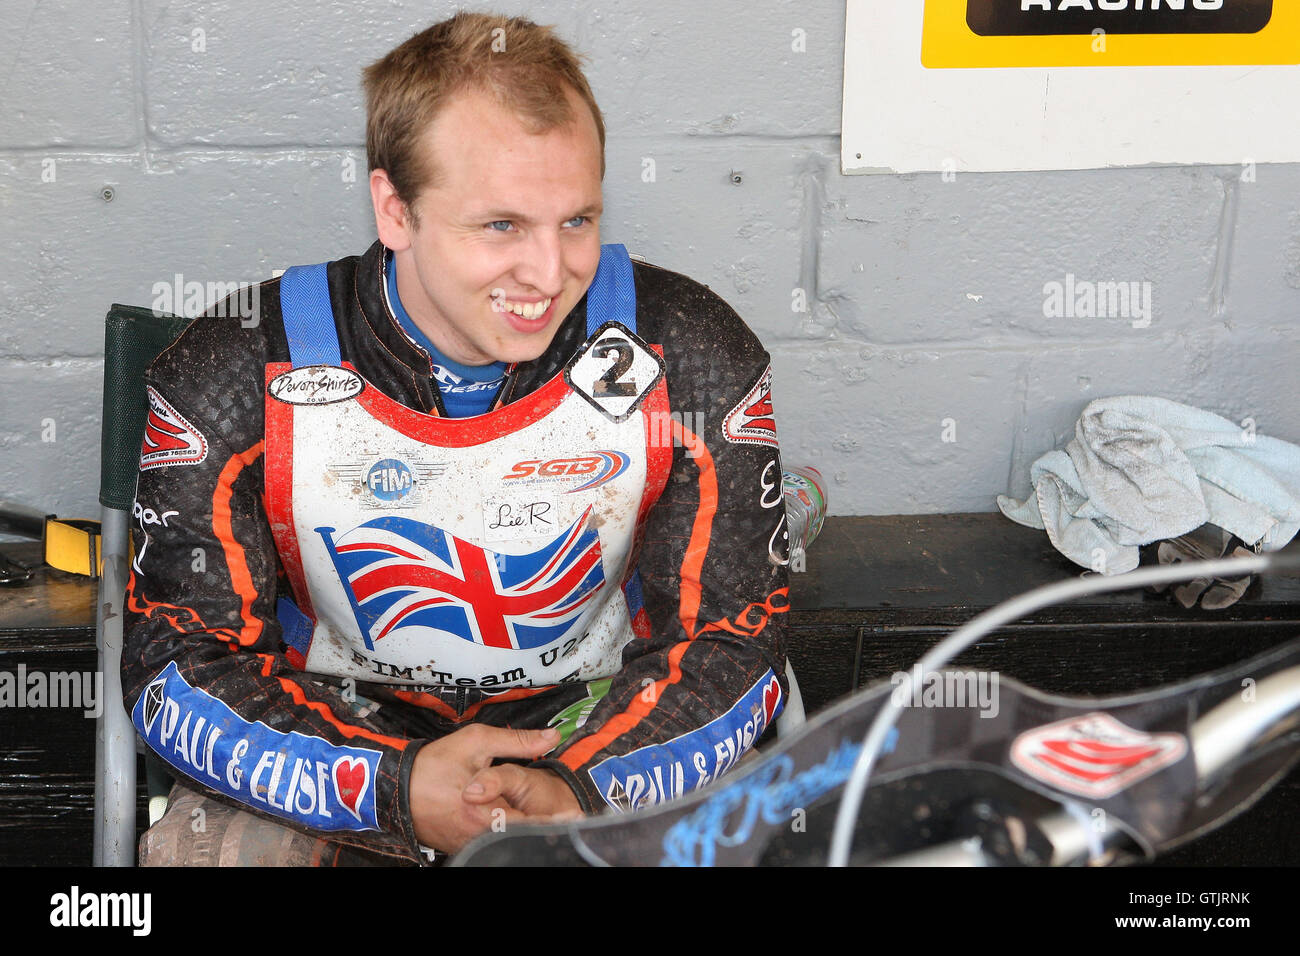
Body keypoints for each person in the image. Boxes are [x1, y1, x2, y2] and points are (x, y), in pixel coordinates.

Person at [122, 10, 790, 865]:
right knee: (195, 854)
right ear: (395, 210)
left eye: (577, 220)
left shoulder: (690, 349)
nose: (549, 275)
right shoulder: (236, 366)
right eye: (501, 226)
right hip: (337, 729)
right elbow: (180, 661)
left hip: (598, 729)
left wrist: (582, 790)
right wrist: (391, 789)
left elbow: (735, 644)